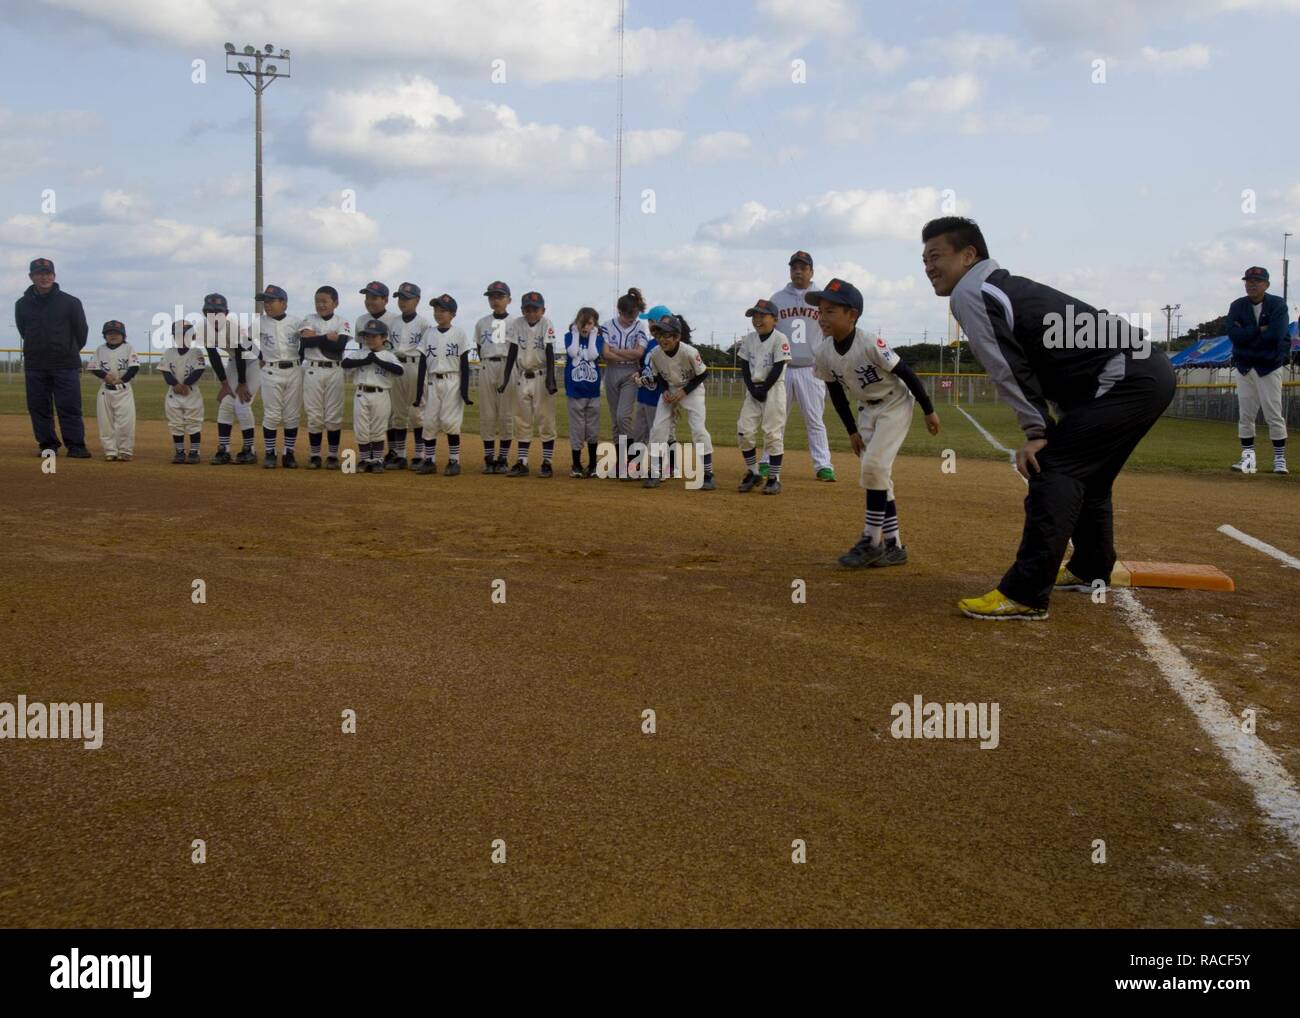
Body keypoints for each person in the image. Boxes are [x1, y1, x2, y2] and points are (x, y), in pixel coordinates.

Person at [922, 216, 1175, 621]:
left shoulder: (972, 291)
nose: (928, 267)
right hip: (1143, 370)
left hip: (1127, 375)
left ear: (969, 256)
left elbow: (1005, 365)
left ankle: (1024, 592)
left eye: (936, 256)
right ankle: (1090, 569)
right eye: (923, 259)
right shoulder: (998, 285)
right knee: (1088, 478)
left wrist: (1037, 430)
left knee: (1053, 467)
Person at [808, 280, 938, 568]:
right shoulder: (824, 352)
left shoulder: (870, 343)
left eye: (830, 311)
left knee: (875, 467)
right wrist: (852, 430)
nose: (822, 318)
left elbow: (906, 372)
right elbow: (836, 394)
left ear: (852, 315)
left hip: (894, 404)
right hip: (866, 411)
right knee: (878, 476)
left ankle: (871, 540)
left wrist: (929, 409)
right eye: (820, 311)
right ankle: (894, 545)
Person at [765, 251, 835, 481]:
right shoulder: (777, 299)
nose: (798, 271)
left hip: (811, 368)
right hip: (783, 368)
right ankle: (767, 460)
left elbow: (829, 330)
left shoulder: (821, 298)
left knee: (815, 420)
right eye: (794, 267)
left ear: (811, 271)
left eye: (803, 267)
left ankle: (823, 465)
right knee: (776, 419)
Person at [15, 257, 91, 457]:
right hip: (35, 364)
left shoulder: (71, 302)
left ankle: (76, 446)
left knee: (70, 407)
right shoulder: (22, 304)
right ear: (31, 277)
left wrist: (67, 350)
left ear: (54, 276)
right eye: (39, 273)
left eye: (48, 273)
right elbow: (24, 331)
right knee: (39, 408)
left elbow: (81, 332)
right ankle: (47, 445)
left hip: (65, 364)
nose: (44, 277)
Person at [1226, 266, 1290, 475]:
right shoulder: (1237, 305)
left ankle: (1279, 458)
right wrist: (1258, 330)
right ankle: (1248, 458)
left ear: (1266, 284)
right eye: (1248, 281)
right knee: (1246, 413)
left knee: (1273, 412)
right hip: (1245, 365)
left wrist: (1247, 332)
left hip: (1268, 365)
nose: (1252, 284)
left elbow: (1276, 336)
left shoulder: (1277, 304)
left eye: (1257, 281)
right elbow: (1234, 335)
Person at [643, 314, 715, 490]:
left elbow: (703, 374)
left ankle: (708, 474)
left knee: (698, 429)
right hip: (670, 390)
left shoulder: (689, 352)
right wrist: (665, 390)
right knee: (659, 428)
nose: (662, 339)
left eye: (667, 335)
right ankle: (655, 472)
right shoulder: (655, 354)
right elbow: (659, 375)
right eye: (659, 335)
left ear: (677, 337)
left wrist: (684, 391)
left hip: (692, 389)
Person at [736, 298, 791, 494]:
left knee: (772, 434)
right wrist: (752, 389)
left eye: (762, 315)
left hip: (774, 389)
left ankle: (774, 478)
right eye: (754, 316)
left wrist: (764, 389)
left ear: (774, 319)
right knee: (744, 431)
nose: (757, 319)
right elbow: (743, 364)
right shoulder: (749, 339)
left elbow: (779, 366)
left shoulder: (780, 339)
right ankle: (753, 472)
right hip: (753, 391)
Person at [500, 291, 558, 477]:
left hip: (541, 376)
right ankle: (522, 462)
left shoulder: (546, 323)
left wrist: (551, 379)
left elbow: (550, 352)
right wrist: (506, 377)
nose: (531, 312)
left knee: (545, 419)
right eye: (528, 309)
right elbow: (512, 351)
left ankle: (547, 462)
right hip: (522, 376)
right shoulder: (517, 324)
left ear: (543, 310)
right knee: (522, 420)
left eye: (535, 309)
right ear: (522, 310)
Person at [415, 293, 473, 476]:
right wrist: (418, 393)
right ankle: (429, 461)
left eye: (443, 311)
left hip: (452, 382)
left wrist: (464, 392)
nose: (438, 314)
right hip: (432, 382)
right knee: (429, 422)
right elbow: (423, 364)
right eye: (436, 310)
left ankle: (454, 461)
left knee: (450, 422)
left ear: (453, 314)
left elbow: (464, 364)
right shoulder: (428, 334)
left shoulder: (459, 334)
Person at [298, 285, 352, 469]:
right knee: (314, 416)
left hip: (334, 370)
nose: (320, 305)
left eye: (325, 301)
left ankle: (332, 455)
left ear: (335, 303)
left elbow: (340, 346)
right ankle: (314, 455)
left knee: (333, 416)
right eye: (317, 301)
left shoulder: (341, 321)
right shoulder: (308, 319)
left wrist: (316, 337)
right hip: (312, 369)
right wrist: (327, 337)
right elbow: (305, 342)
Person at [203, 292, 259, 464]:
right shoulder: (204, 330)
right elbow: (213, 357)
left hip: (253, 362)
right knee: (226, 405)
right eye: (210, 312)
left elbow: (244, 353)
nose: (214, 315)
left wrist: (242, 383)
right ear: (204, 313)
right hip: (235, 362)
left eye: (218, 312)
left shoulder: (233, 328)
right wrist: (224, 384)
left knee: (242, 404)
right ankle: (224, 450)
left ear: (226, 313)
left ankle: (250, 450)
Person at [343, 320, 404, 473]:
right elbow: (345, 363)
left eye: (374, 336)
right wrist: (365, 360)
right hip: (361, 394)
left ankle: (377, 459)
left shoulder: (388, 355)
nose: (370, 339)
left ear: (384, 337)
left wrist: (377, 360)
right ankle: (365, 459)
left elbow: (399, 370)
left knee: (378, 428)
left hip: (380, 394)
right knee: (361, 429)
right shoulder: (360, 353)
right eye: (367, 336)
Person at [255, 284, 304, 469]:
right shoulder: (259, 322)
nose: (267, 304)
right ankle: (270, 453)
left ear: (283, 303)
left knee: (292, 415)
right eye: (264, 301)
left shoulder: (297, 322)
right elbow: (244, 342)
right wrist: (260, 355)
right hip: (270, 370)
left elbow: (306, 342)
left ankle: (288, 453)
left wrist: (302, 358)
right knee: (272, 415)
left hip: (294, 370)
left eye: (271, 301)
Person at [602, 287, 650, 471]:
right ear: (619, 311)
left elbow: (639, 353)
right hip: (612, 373)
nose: (632, 318)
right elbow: (605, 354)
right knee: (615, 421)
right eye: (628, 315)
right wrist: (627, 354)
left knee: (623, 417)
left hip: (631, 374)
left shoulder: (640, 326)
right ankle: (621, 462)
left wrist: (616, 352)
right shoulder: (607, 325)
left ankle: (633, 458)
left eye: (635, 314)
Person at [387, 282, 433, 468]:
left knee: (417, 413)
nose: (402, 302)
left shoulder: (424, 324)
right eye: (400, 298)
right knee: (398, 413)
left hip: (416, 367)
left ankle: (420, 454)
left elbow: (427, 353)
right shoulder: (393, 323)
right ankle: (400, 454)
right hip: (397, 367)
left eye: (407, 298)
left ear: (417, 300)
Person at [473, 281, 516, 473]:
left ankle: (503, 458)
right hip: (487, 365)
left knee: (507, 413)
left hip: (509, 365)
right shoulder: (482, 322)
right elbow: (480, 347)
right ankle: (489, 458)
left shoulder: (516, 323)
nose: (495, 300)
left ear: (509, 299)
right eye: (492, 296)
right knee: (487, 413)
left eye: (499, 296)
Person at [87, 320, 139, 461]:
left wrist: (122, 379)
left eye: (116, 333)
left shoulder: (128, 348)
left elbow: (134, 367)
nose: (113, 336)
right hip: (105, 390)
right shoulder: (100, 349)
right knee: (105, 423)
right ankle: (110, 451)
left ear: (123, 335)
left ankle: (125, 450)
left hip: (123, 390)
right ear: (105, 335)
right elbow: (93, 367)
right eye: (109, 333)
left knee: (126, 423)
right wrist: (105, 376)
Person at [158, 321, 208, 463]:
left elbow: (199, 370)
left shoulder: (196, 352)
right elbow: (165, 371)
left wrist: (185, 384)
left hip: (191, 392)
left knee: (193, 423)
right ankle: (179, 452)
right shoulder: (169, 352)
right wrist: (175, 384)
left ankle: (194, 451)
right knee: (176, 424)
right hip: (174, 393)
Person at [564, 307, 605, 477]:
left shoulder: (598, 339)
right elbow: (573, 352)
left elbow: (592, 355)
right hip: (575, 391)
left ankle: (593, 465)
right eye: (582, 322)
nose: (585, 326)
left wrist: (594, 335)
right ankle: (576, 465)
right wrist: (574, 332)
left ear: (594, 325)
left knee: (592, 430)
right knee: (577, 429)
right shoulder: (569, 337)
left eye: (589, 323)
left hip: (592, 392)